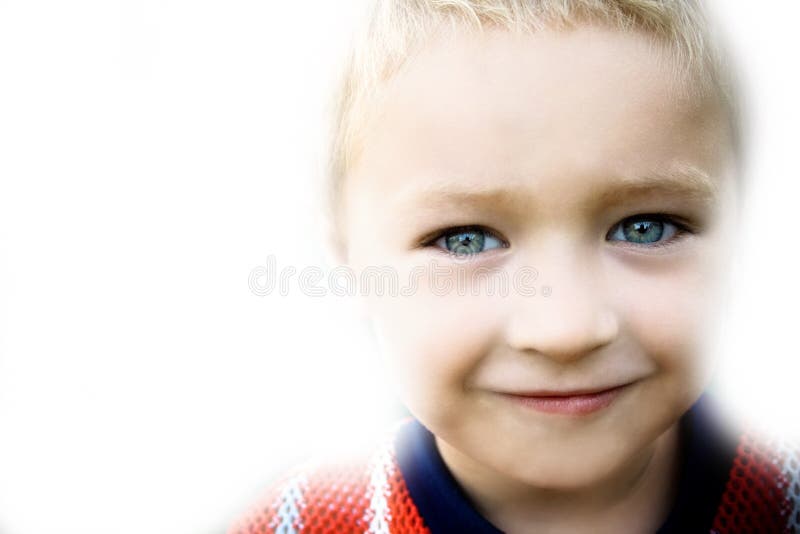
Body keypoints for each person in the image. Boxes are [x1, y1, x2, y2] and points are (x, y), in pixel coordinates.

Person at [231, 1, 800, 532]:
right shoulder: (294, 522)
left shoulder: (784, 503)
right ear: (349, 262)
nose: (565, 330)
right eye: (465, 239)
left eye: (643, 228)